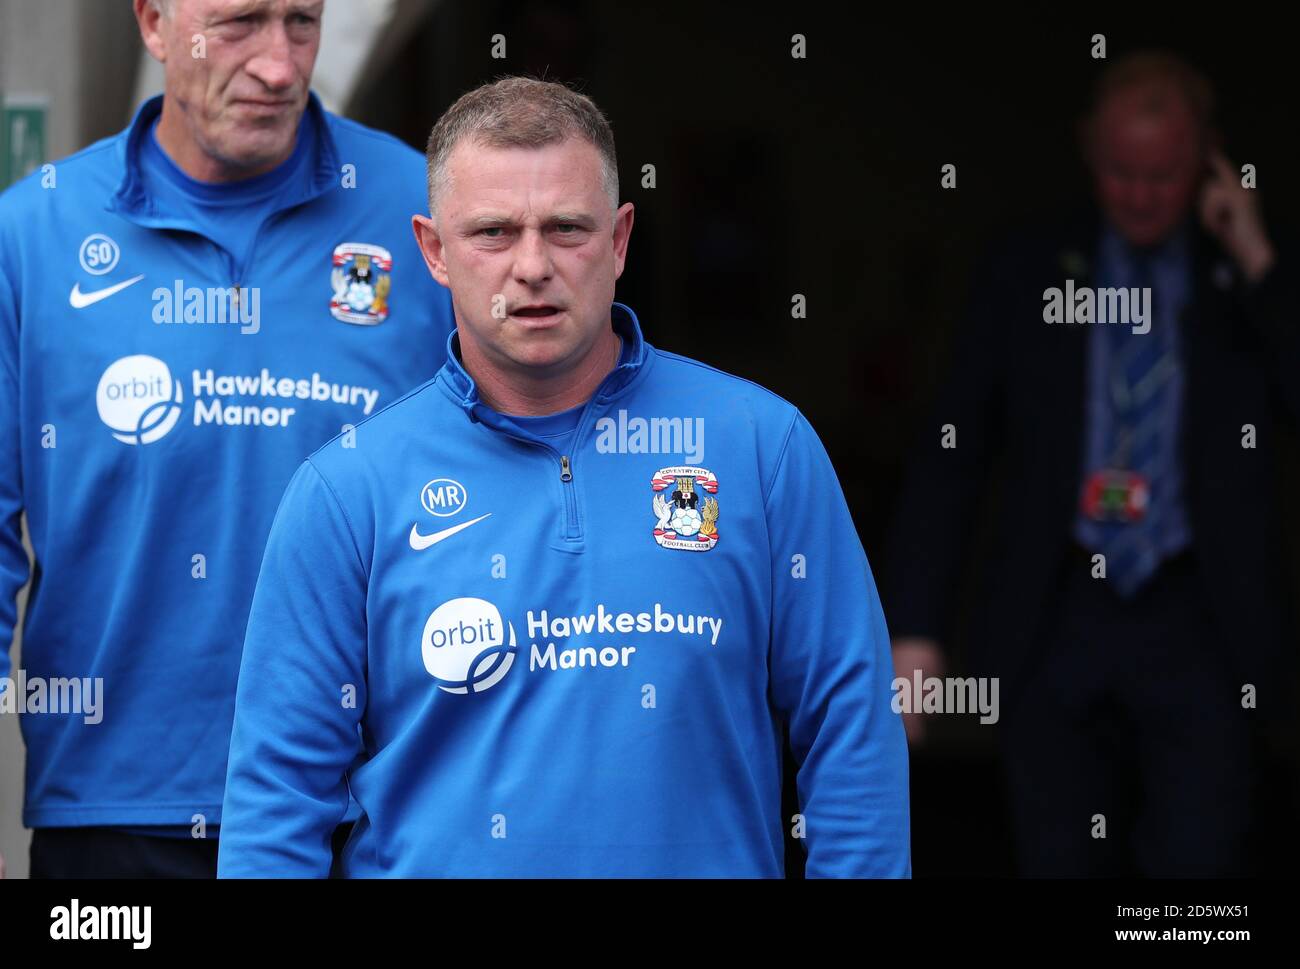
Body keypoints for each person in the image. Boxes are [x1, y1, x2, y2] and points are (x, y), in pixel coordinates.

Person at [217, 76, 910, 878]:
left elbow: (852, 729)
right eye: (494, 232)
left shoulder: (762, 447)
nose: (533, 265)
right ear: (433, 250)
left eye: (567, 228)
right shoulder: (347, 492)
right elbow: (277, 801)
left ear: (619, 240)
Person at [0, 0, 454, 878]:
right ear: (154, 22)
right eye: (241, 24)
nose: (281, 67)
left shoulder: (422, 214)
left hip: (372, 813)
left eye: (302, 22)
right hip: (117, 806)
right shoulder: (34, 238)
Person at [887, 51, 1296, 876]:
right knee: (1055, 856)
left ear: (1209, 157)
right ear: (1086, 149)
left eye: (1166, 173)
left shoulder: (1239, 275)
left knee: (1199, 877)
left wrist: (1258, 258)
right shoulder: (1026, 264)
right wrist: (915, 627)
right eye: (1121, 171)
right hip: (1058, 608)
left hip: (1201, 616)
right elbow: (954, 445)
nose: (1142, 194)